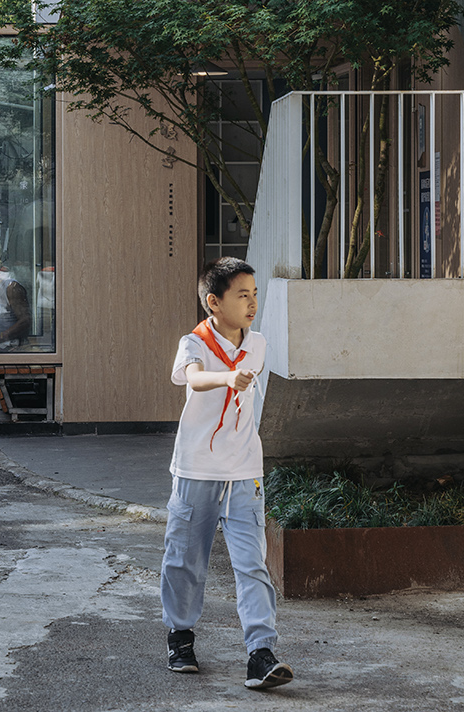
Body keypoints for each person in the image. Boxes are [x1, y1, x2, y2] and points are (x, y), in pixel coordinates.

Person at [160, 257, 293, 692]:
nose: (252, 303)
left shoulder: (258, 344)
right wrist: (228, 377)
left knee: (252, 565)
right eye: (242, 295)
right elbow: (193, 380)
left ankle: (261, 653)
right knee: (185, 560)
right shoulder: (193, 342)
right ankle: (180, 638)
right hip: (197, 468)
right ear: (213, 302)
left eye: (255, 294)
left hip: (244, 471)